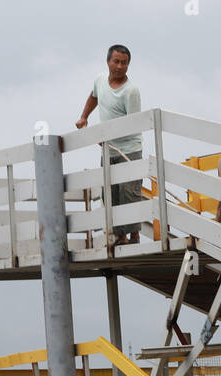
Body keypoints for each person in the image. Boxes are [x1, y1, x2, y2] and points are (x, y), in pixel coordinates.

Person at [76, 44, 143, 246]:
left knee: (129, 192)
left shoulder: (131, 91)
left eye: (124, 63)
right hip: (108, 148)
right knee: (111, 193)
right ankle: (119, 235)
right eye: (116, 61)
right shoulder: (100, 80)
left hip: (128, 148)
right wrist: (84, 117)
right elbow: (94, 96)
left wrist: (105, 135)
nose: (120, 66)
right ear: (108, 62)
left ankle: (134, 236)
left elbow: (132, 124)